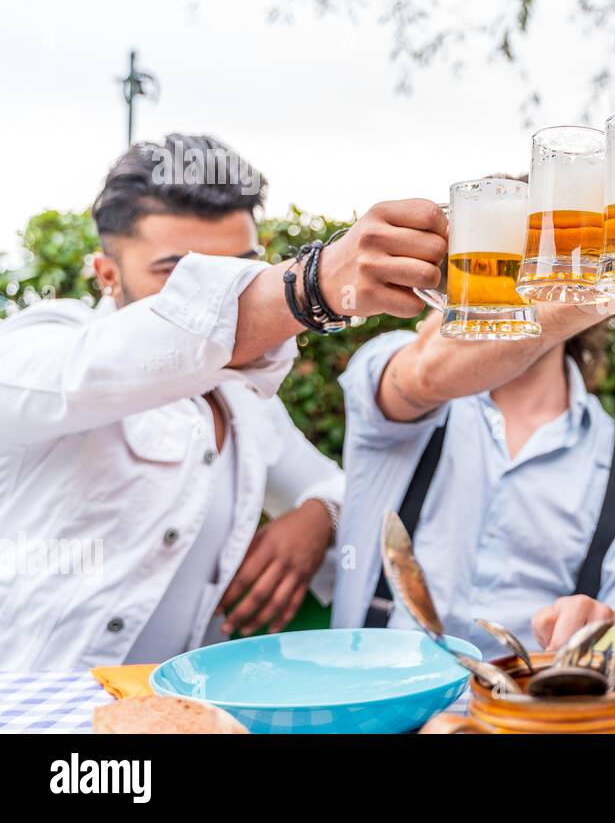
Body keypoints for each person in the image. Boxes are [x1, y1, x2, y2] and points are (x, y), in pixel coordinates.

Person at [0, 134, 450, 669]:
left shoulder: (244, 400)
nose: (214, 292)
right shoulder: (41, 347)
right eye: (181, 273)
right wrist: (312, 285)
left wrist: (316, 519)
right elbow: (90, 369)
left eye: (242, 269)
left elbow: (333, 486)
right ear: (106, 275)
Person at [331, 299, 615, 659]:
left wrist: (608, 623)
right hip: (378, 701)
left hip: (531, 709)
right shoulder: (400, 372)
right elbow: (425, 372)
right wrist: (602, 292)